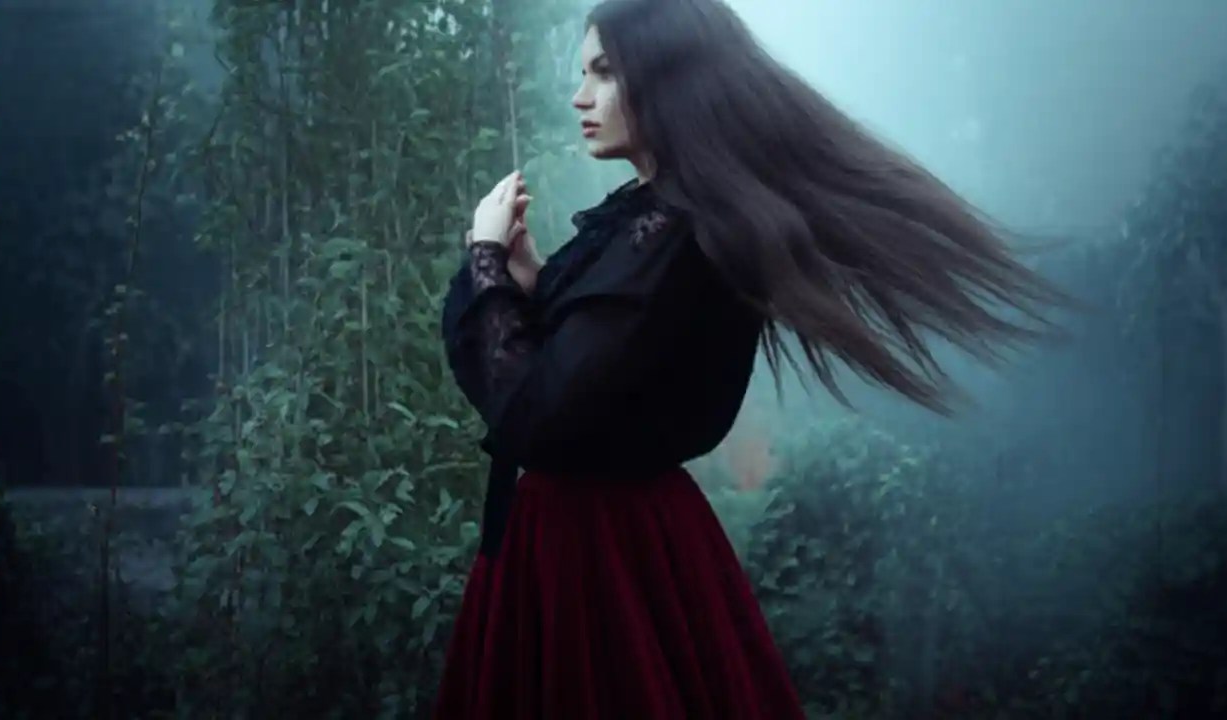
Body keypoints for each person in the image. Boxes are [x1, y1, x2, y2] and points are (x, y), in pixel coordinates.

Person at [435, 0, 1069, 717]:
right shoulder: (659, 223)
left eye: (605, 74)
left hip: (599, 556)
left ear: (669, 80)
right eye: (581, 73)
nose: (579, 97)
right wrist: (532, 280)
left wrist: (486, 260)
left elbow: (539, 416)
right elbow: (600, 366)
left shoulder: (670, 233)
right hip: (602, 542)